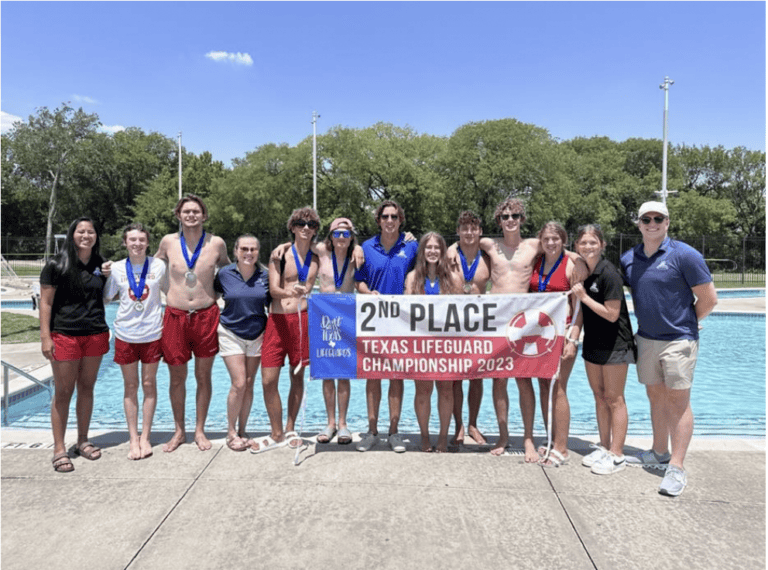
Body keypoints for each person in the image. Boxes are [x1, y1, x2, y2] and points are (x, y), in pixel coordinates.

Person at [621, 201, 717, 496]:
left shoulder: (685, 255)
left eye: (658, 218)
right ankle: (659, 451)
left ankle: (676, 467)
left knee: (678, 402)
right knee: (655, 396)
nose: (652, 223)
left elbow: (709, 299)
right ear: (638, 223)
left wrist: (688, 323)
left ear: (667, 222)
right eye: (646, 219)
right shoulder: (629, 259)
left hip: (678, 340)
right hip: (647, 338)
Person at [154, 195, 230, 452]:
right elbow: (152, 270)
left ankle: (199, 430)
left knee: (203, 376)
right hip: (175, 315)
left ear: (204, 215)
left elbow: (230, 273)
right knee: (177, 377)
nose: (191, 215)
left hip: (205, 314)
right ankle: (179, 431)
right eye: (186, 211)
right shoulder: (168, 242)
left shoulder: (216, 243)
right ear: (178, 215)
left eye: (196, 211)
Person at [40, 217, 111, 472]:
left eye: (90, 231)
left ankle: (82, 440)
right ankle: (59, 448)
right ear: (72, 235)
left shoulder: (101, 265)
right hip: (64, 335)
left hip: (95, 334)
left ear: (95, 236)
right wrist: (45, 337)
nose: (86, 235)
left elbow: (106, 296)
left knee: (87, 388)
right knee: (63, 392)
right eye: (81, 231)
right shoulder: (56, 265)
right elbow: (46, 304)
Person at [253, 207, 320, 453]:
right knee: (268, 380)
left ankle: (290, 427)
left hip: (302, 320)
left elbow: (346, 246)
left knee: (297, 375)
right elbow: (273, 289)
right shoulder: (279, 254)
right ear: (292, 227)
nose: (306, 228)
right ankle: (275, 431)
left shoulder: (315, 258)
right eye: (301, 223)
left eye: (311, 225)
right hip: (278, 320)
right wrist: (291, 291)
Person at [354, 199, 418, 453]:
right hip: (375, 320)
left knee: (396, 376)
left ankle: (394, 432)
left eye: (394, 216)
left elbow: (424, 273)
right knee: (373, 375)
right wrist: (368, 293)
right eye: (385, 217)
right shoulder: (366, 248)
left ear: (400, 220)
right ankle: (371, 431)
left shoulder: (411, 246)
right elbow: (359, 282)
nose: (390, 221)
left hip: (401, 321)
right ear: (379, 220)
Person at [571, 224, 635, 475]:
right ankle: (605, 446)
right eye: (583, 243)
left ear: (603, 245)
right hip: (593, 343)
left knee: (614, 398)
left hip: (615, 344)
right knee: (599, 396)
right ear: (577, 246)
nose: (588, 247)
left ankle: (617, 455)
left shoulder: (609, 274)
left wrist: (584, 297)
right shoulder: (583, 271)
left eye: (593, 242)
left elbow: (611, 314)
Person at [104, 223, 168, 460]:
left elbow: (172, 292)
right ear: (125, 242)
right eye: (132, 240)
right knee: (130, 387)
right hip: (125, 335)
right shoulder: (117, 269)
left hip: (152, 334)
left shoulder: (159, 266)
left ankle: (146, 437)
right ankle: (133, 438)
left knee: (149, 385)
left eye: (142, 239)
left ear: (148, 242)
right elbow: (105, 297)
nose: (137, 244)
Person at [527, 222, 583, 468]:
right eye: (547, 239)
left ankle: (562, 447)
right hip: (541, 334)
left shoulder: (571, 265)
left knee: (558, 386)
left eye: (556, 239)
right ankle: (551, 439)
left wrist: (573, 337)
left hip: (563, 334)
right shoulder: (537, 262)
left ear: (563, 240)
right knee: (543, 386)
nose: (551, 243)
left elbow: (579, 305)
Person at [213, 235, 269, 452]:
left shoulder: (265, 275)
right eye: (244, 248)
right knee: (239, 383)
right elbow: (211, 293)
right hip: (230, 332)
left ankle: (243, 430)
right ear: (235, 251)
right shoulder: (225, 274)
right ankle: (231, 432)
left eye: (253, 249)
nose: (248, 253)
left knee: (249, 382)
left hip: (257, 334)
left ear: (258, 251)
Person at [405, 232, 460, 452]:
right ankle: (425, 435)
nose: (433, 251)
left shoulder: (453, 278)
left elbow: (462, 312)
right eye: (428, 247)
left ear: (443, 251)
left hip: (446, 344)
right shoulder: (412, 278)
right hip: (421, 344)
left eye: (437, 247)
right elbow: (405, 312)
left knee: (446, 390)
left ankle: (443, 437)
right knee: (423, 390)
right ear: (422, 251)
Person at [448, 211, 491, 447]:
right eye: (464, 228)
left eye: (473, 228)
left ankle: (473, 424)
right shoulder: (449, 257)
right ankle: (459, 426)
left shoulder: (489, 258)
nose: (469, 233)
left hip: (479, 323)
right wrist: (451, 248)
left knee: (477, 377)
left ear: (480, 232)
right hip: (454, 323)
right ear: (458, 231)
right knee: (456, 378)